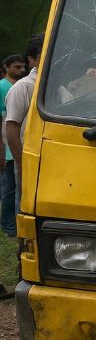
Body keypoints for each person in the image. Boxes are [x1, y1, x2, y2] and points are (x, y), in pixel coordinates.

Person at [5, 35, 43, 218]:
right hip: (29, 159)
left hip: (52, 160)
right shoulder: (23, 87)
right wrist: (22, 162)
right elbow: (11, 127)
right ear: (33, 59)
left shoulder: (55, 86)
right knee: (27, 208)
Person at [0, 54, 27, 236]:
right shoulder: (2, 86)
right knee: (9, 187)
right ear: (6, 67)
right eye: (17, 67)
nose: (22, 70)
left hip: (17, 142)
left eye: (22, 66)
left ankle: (14, 223)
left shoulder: (20, 85)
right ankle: (8, 224)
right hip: (7, 143)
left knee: (16, 187)